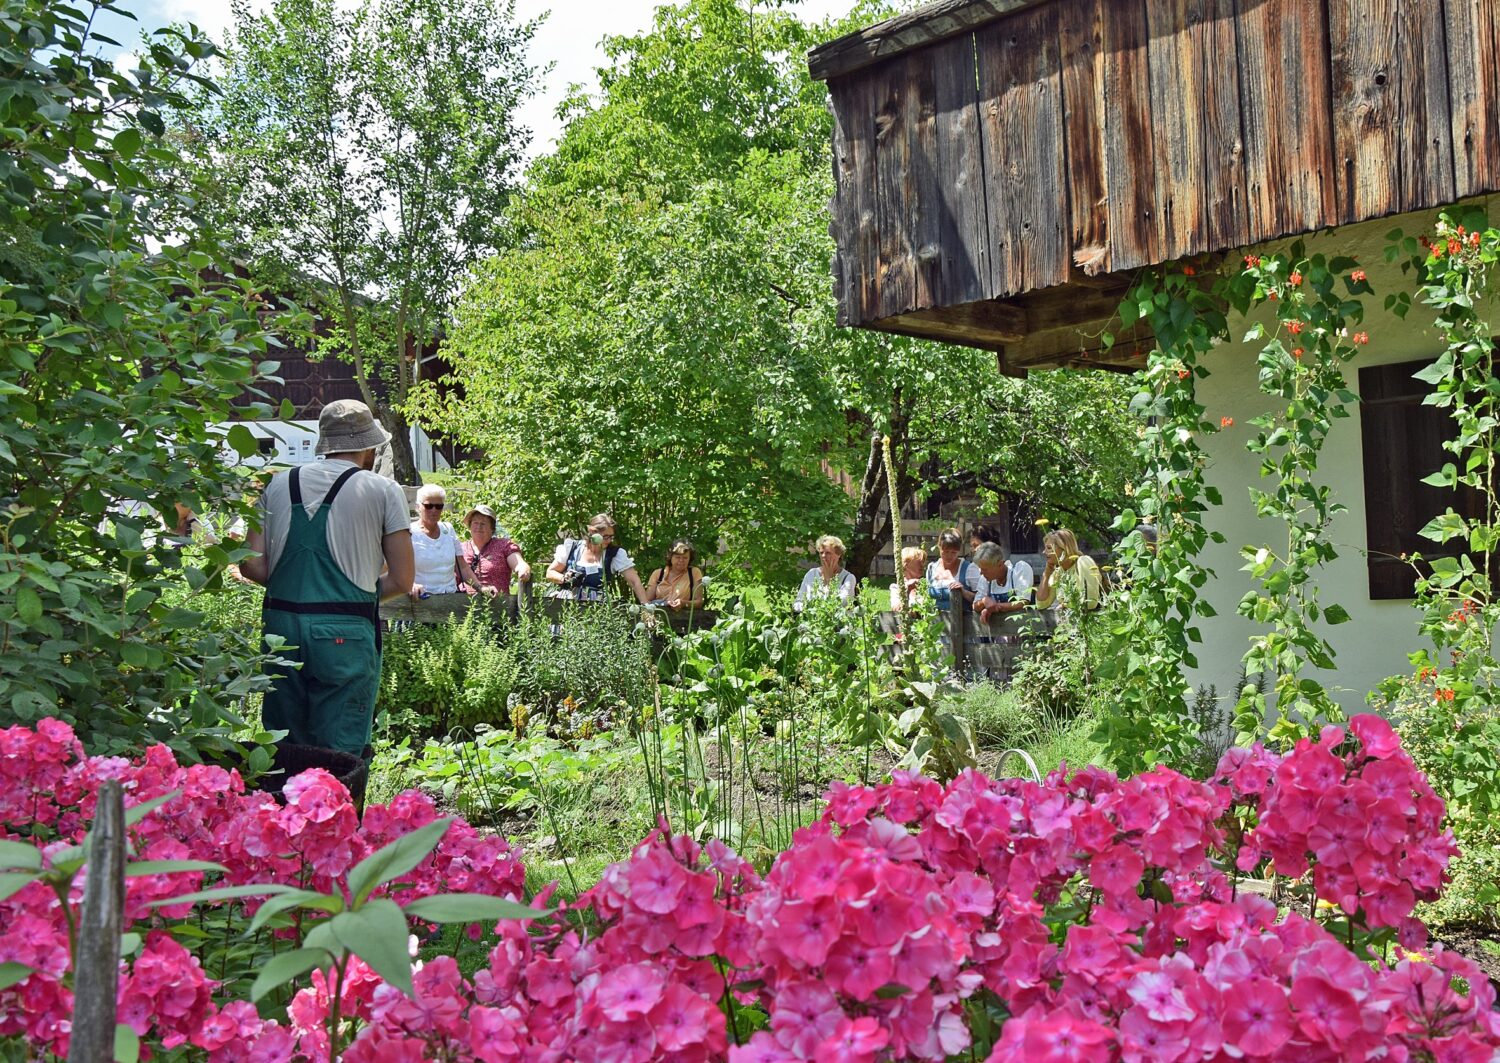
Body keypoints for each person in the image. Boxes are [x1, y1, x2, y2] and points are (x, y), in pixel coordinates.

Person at [240, 399, 415, 757]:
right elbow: (402, 578)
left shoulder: (276, 486)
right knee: (340, 752)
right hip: (344, 634)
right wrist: (349, 598)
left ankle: (279, 811)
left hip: (282, 627)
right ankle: (337, 810)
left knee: (283, 747)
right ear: (368, 446)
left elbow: (251, 566)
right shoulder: (382, 490)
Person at [545, 513, 651, 603]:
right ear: (591, 532)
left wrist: (646, 607)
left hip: (596, 607)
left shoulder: (614, 554)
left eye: (611, 536)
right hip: (566, 603)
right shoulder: (572, 548)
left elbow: (634, 581)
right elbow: (550, 572)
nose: (609, 540)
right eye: (605, 537)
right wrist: (564, 578)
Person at [409, 484, 485, 597]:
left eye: (438, 506)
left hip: (450, 599)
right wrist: (411, 585)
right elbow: (396, 568)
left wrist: (480, 588)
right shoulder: (410, 533)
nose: (434, 510)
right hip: (421, 599)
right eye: (428, 506)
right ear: (418, 507)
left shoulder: (448, 529)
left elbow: (462, 566)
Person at [461, 503, 530, 597]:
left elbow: (518, 563)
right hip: (464, 606)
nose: (478, 527)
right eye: (475, 523)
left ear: (492, 528)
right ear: (470, 526)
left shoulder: (504, 545)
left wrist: (523, 570)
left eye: (483, 523)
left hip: (498, 605)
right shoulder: (461, 548)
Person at [1034, 528, 1102, 611]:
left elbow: (1090, 603)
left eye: (1048, 548)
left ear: (1064, 549)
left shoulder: (1083, 562)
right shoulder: (1058, 573)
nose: (1044, 552)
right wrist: (1047, 573)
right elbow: (1041, 604)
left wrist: (1065, 605)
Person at [971, 540, 1034, 624]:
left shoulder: (1019, 571)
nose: (981, 572)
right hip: (999, 633)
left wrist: (995, 607)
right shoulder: (985, 579)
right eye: (980, 568)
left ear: (1000, 564)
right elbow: (975, 606)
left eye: (985, 569)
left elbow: (1023, 602)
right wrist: (984, 601)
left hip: (1026, 629)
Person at [795, 535, 858, 609]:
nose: (823, 556)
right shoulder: (812, 574)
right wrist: (809, 609)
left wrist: (828, 580)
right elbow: (797, 603)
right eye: (821, 553)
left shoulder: (848, 578)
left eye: (828, 553)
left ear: (838, 555)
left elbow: (841, 604)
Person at [927, 527, 981, 613]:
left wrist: (963, 592)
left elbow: (980, 600)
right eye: (946, 551)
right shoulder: (931, 568)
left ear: (959, 551)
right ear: (939, 547)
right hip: (935, 623)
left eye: (953, 552)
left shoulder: (969, 568)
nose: (949, 556)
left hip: (963, 622)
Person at [644, 538, 704, 610]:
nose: (681, 560)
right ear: (670, 557)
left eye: (685, 558)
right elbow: (647, 601)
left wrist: (683, 603)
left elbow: (699, 602)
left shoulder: (694, 573)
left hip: (684, 617)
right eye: (677, 557)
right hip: (659, 615)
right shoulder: (658, 574)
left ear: (690, 559)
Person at [890, 546, 927, 611]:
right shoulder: (896, 588)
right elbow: (896, 609)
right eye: (919, 562)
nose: (922, 565)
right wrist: (907, 590)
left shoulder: (925, 586)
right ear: (906, 564)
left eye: (923, 562)